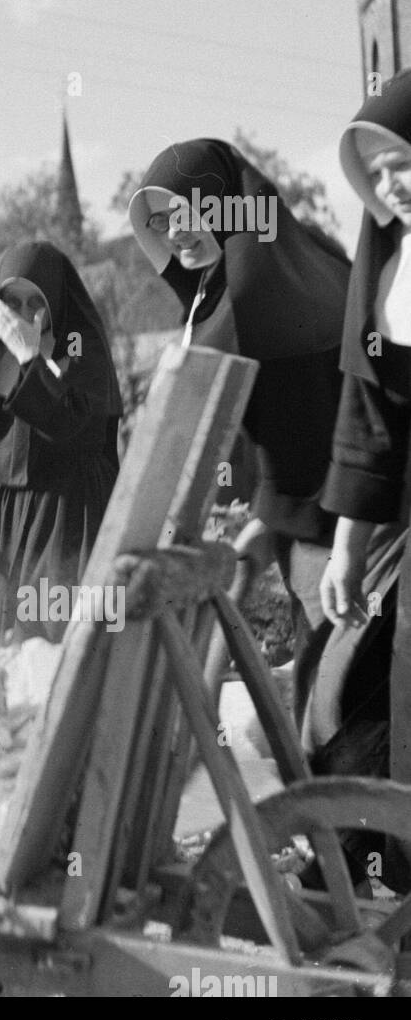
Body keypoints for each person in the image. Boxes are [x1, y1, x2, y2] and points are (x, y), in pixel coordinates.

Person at [127, 139, 357, 723]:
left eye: (187, 212)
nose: (175, 232)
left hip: (346, 530)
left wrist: (272, 516)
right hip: (312, 520)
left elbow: (311, 429)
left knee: (339, 707)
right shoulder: (241, 276)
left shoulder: (262, 291)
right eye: (160, 220)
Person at [319, 68, 411, 892]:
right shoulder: (391, 268)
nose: (391, 184)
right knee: (362, 683)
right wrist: (348, 545)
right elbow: (371, 414)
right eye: (375, 173)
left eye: (403, 161)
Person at [0, 241, 121, 645]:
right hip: (15, 511)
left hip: (70, 509)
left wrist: (31, 360)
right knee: (2, 629)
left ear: (55, 301)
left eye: (35, 302)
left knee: (54, 633)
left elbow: (72, 426)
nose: (24, 315)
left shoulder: (82, 352)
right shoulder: (5, 354)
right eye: (12, 302)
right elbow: (5, 419)